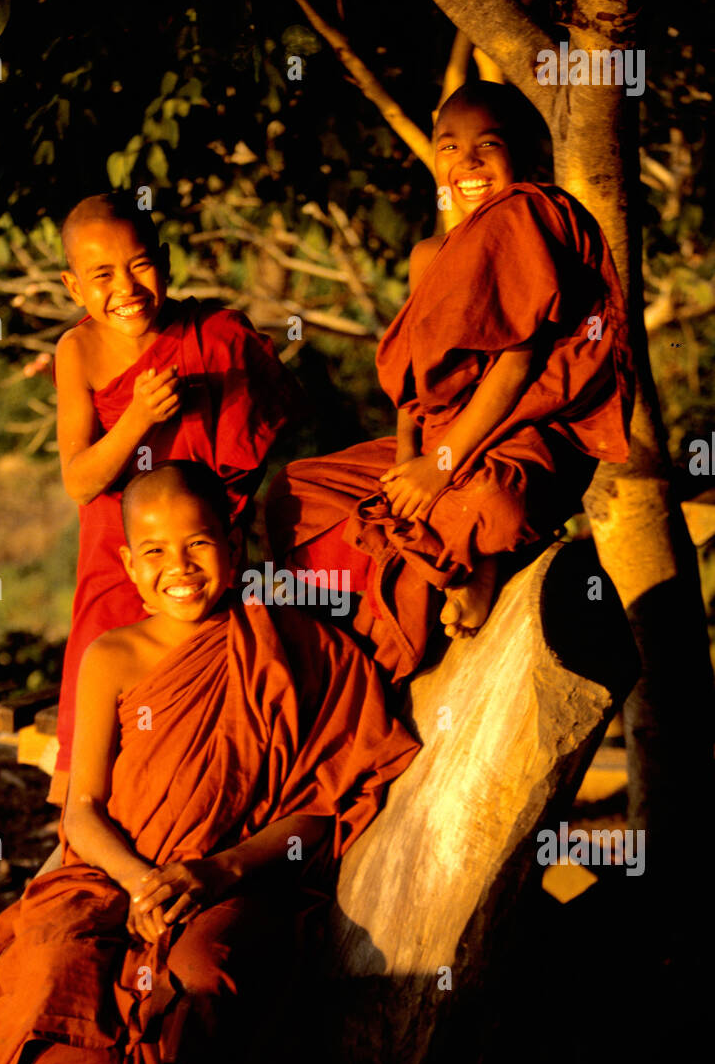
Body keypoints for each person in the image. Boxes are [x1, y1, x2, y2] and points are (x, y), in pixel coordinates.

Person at [0, 462, 419, 1064]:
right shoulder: (111, 657)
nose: (179, 568)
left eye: (198, 544)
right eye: (155, 552)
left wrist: (216, 870)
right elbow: (85, 813)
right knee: (47, 970)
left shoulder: (291, 649)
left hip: (231, 880)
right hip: (107, 875)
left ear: (234, 547)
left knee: (203, 975)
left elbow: (324, 809)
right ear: (129, 565)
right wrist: (138, 881)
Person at [266, 82, 634, 681]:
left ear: (527, 156)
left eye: (488, 144)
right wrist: (407, 468)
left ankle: (473, 567)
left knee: (493, 499)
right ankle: (432, 573)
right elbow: (413, 382)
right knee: (300, 490)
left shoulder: (526, 220)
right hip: (440, 442)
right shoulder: (427, 254)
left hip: (517, 434)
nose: (467, 161)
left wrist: (439, 468)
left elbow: (516, 367)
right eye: (450, 147)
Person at [50, 192, 300, 804]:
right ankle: (81, 847)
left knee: (196, 727)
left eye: (139, 265)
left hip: (200, 558)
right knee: (93, 745)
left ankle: (189, 830)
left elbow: (253, 452)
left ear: (165, 261)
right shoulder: (77, 351)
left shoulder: (216, 338)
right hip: (119, 561)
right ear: (73, 286)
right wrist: (135, 419)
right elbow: (79, 479)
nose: (126, 287)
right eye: (101, 275)